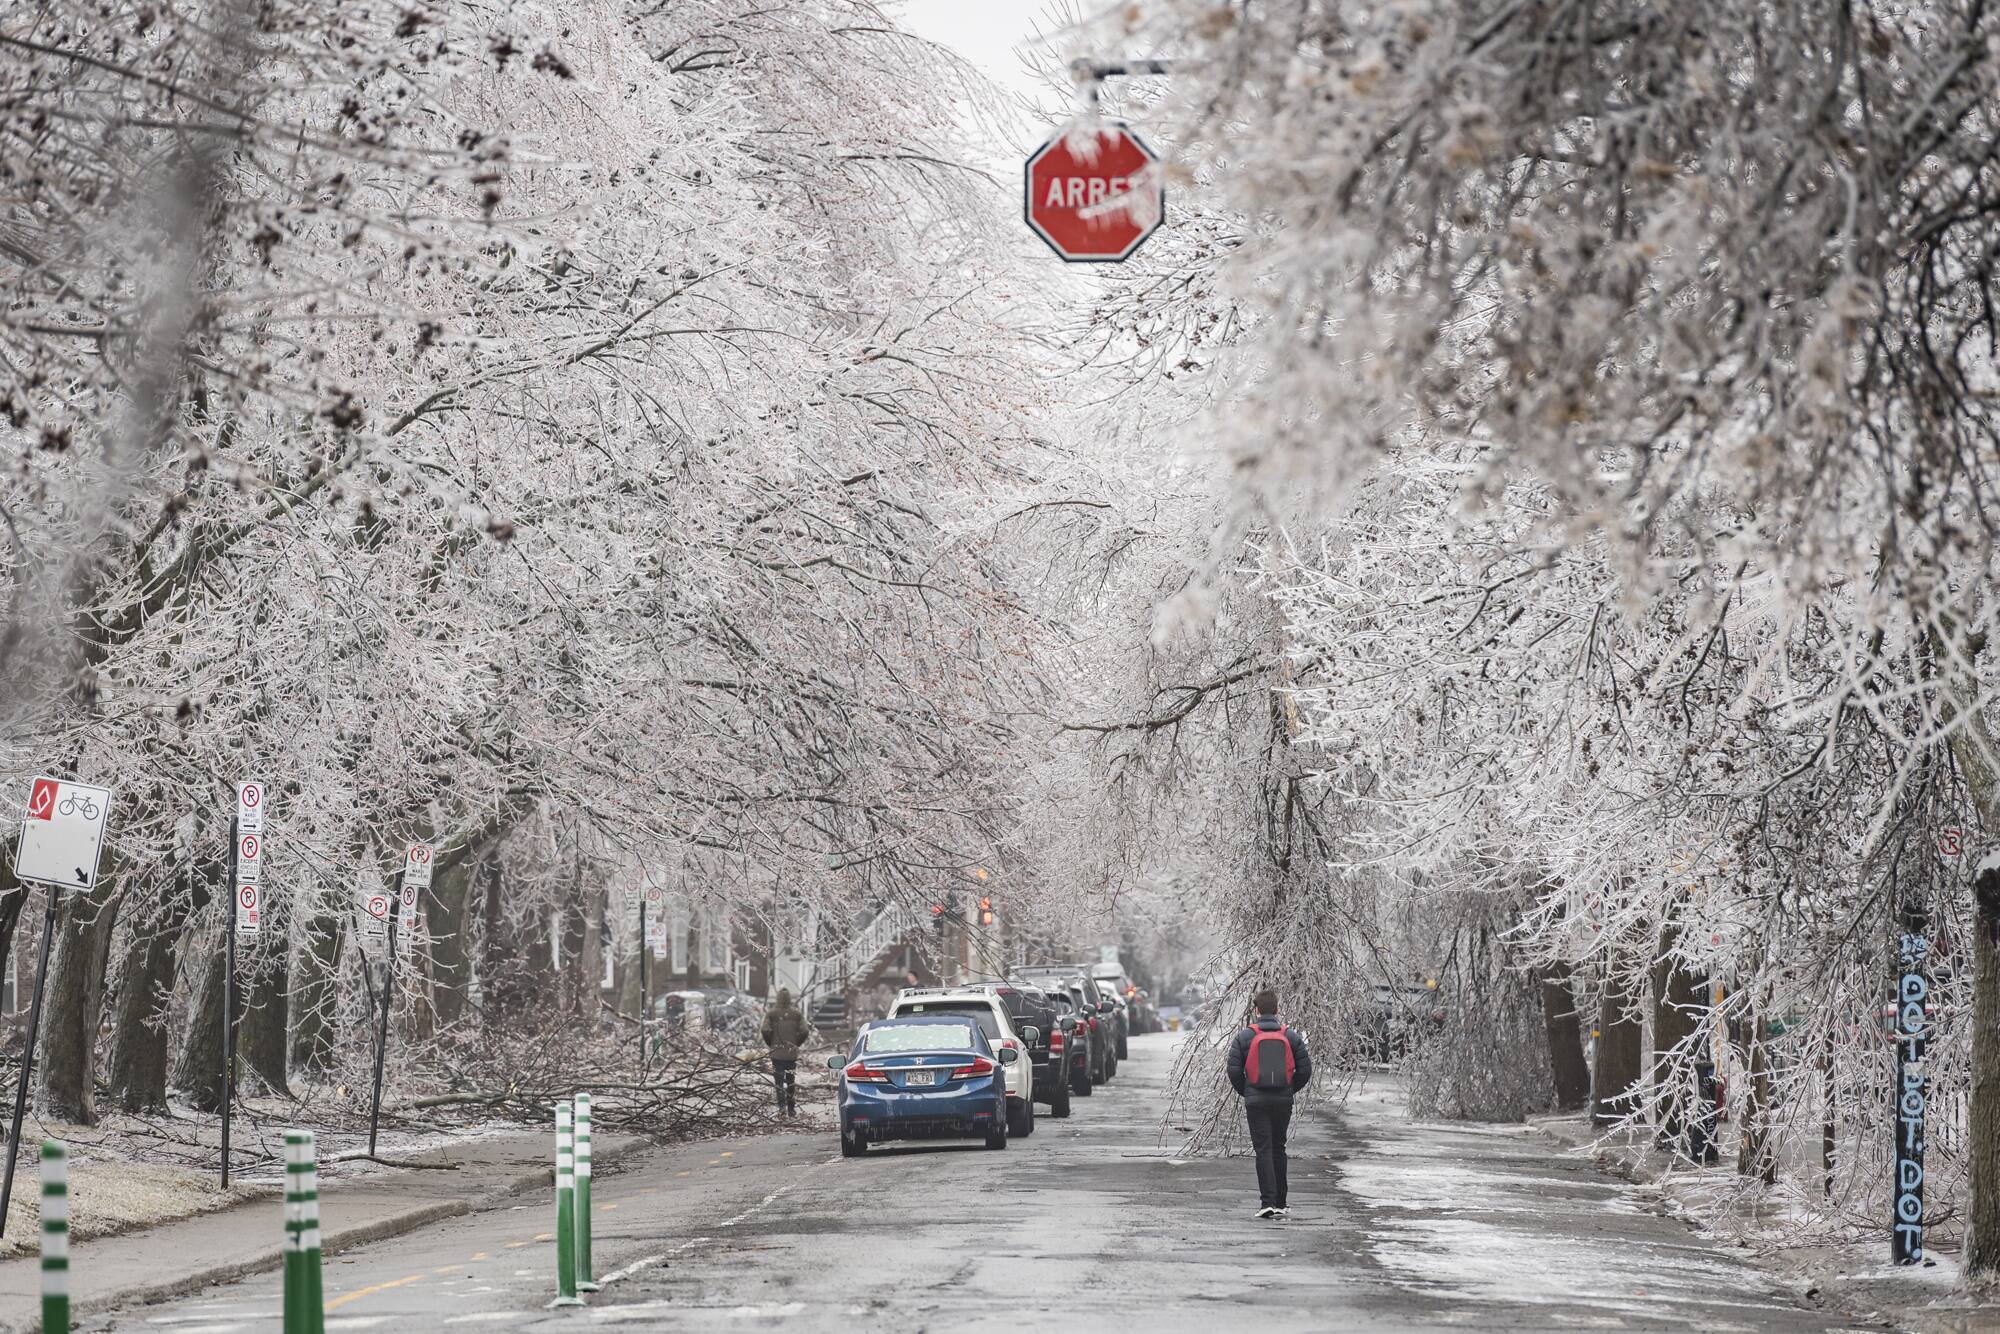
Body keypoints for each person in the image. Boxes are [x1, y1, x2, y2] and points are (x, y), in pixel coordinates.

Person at [1226, 988, 1313, 1219]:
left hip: (1256, 1101)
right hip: (1282, 1100)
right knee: (1279, 1148)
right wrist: (1288, 1088)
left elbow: (1233, 1070)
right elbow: (1305, 1070)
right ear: (1277, 1010)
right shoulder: (1291, 1036)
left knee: (1263, 1149)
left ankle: (1267, 1203)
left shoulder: (1244, 1037)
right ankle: (1281, 1203)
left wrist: (1247, 1091)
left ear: (1256, 1011)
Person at [760, 988, 814, 1116]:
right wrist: (796, 1043)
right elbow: (805, 1031)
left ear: (777, 998)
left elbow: (764, 1030)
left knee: (778, 1082)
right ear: (789, 998)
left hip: (776, 1054)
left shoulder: (771, 1014)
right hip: (791, 1055)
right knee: (791, 1082)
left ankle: (781, 1108)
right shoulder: (796, 1014)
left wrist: (770, 1043)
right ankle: (791, 1108)